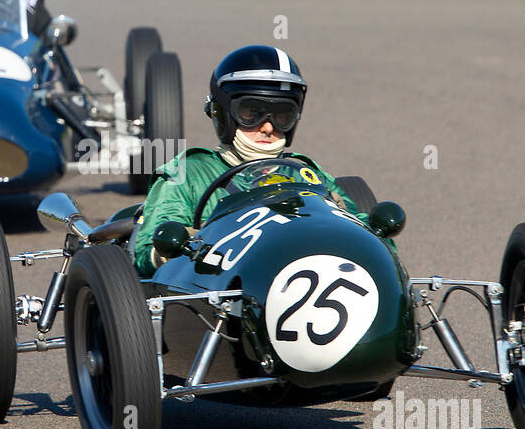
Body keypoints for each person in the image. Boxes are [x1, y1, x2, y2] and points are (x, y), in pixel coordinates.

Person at [133, 45, 378, 276]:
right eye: (251, 113)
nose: (268, 126)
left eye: (282, 114)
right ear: (223, 114)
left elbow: (365, 234)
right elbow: (145, 254)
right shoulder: (186, 173)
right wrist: (179, 247)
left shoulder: (306, 172)